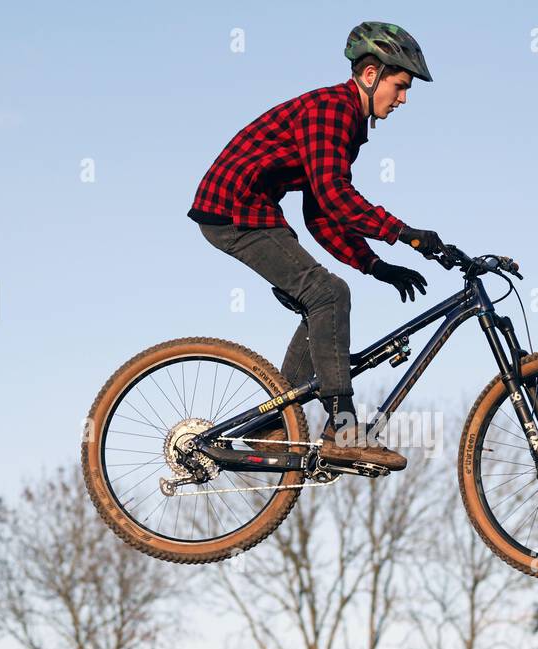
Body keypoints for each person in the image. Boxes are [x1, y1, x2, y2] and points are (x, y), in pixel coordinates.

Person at [187, 21, 446, 471]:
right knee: (328, 293)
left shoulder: (347, 123)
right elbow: (334, 197)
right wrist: (405, 233)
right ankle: (343, 428)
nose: (403, 99)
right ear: (370, 75)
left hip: (256, 211)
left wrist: (376, 265)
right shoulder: (332, 110)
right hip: (233, 211)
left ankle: (273, 426)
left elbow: (320, 213)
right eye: (400, 86)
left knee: (324, 296)